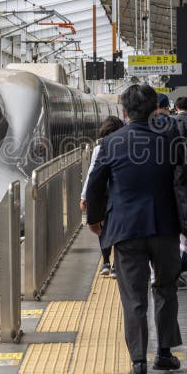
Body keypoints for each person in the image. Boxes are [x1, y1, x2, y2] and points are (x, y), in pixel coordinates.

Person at [85, 84, 182, 374]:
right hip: (166, 227)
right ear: (155, 109)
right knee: (165, 289)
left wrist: (95, 219)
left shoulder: (111, 142)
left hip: (126, 231)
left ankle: (138, 362)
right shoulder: (170, 139)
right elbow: (186, 180)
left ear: (124, 112)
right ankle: (163, 353)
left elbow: (95, 185)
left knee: (134, 296)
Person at [80, 116, 124, 278]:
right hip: (117, 194)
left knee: (102, 228)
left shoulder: (100, 148)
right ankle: (115, 266)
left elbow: (92, 173)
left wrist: (84, 196)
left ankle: (105, 261)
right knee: (117, 228)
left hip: (102, 194)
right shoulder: (123, 145)